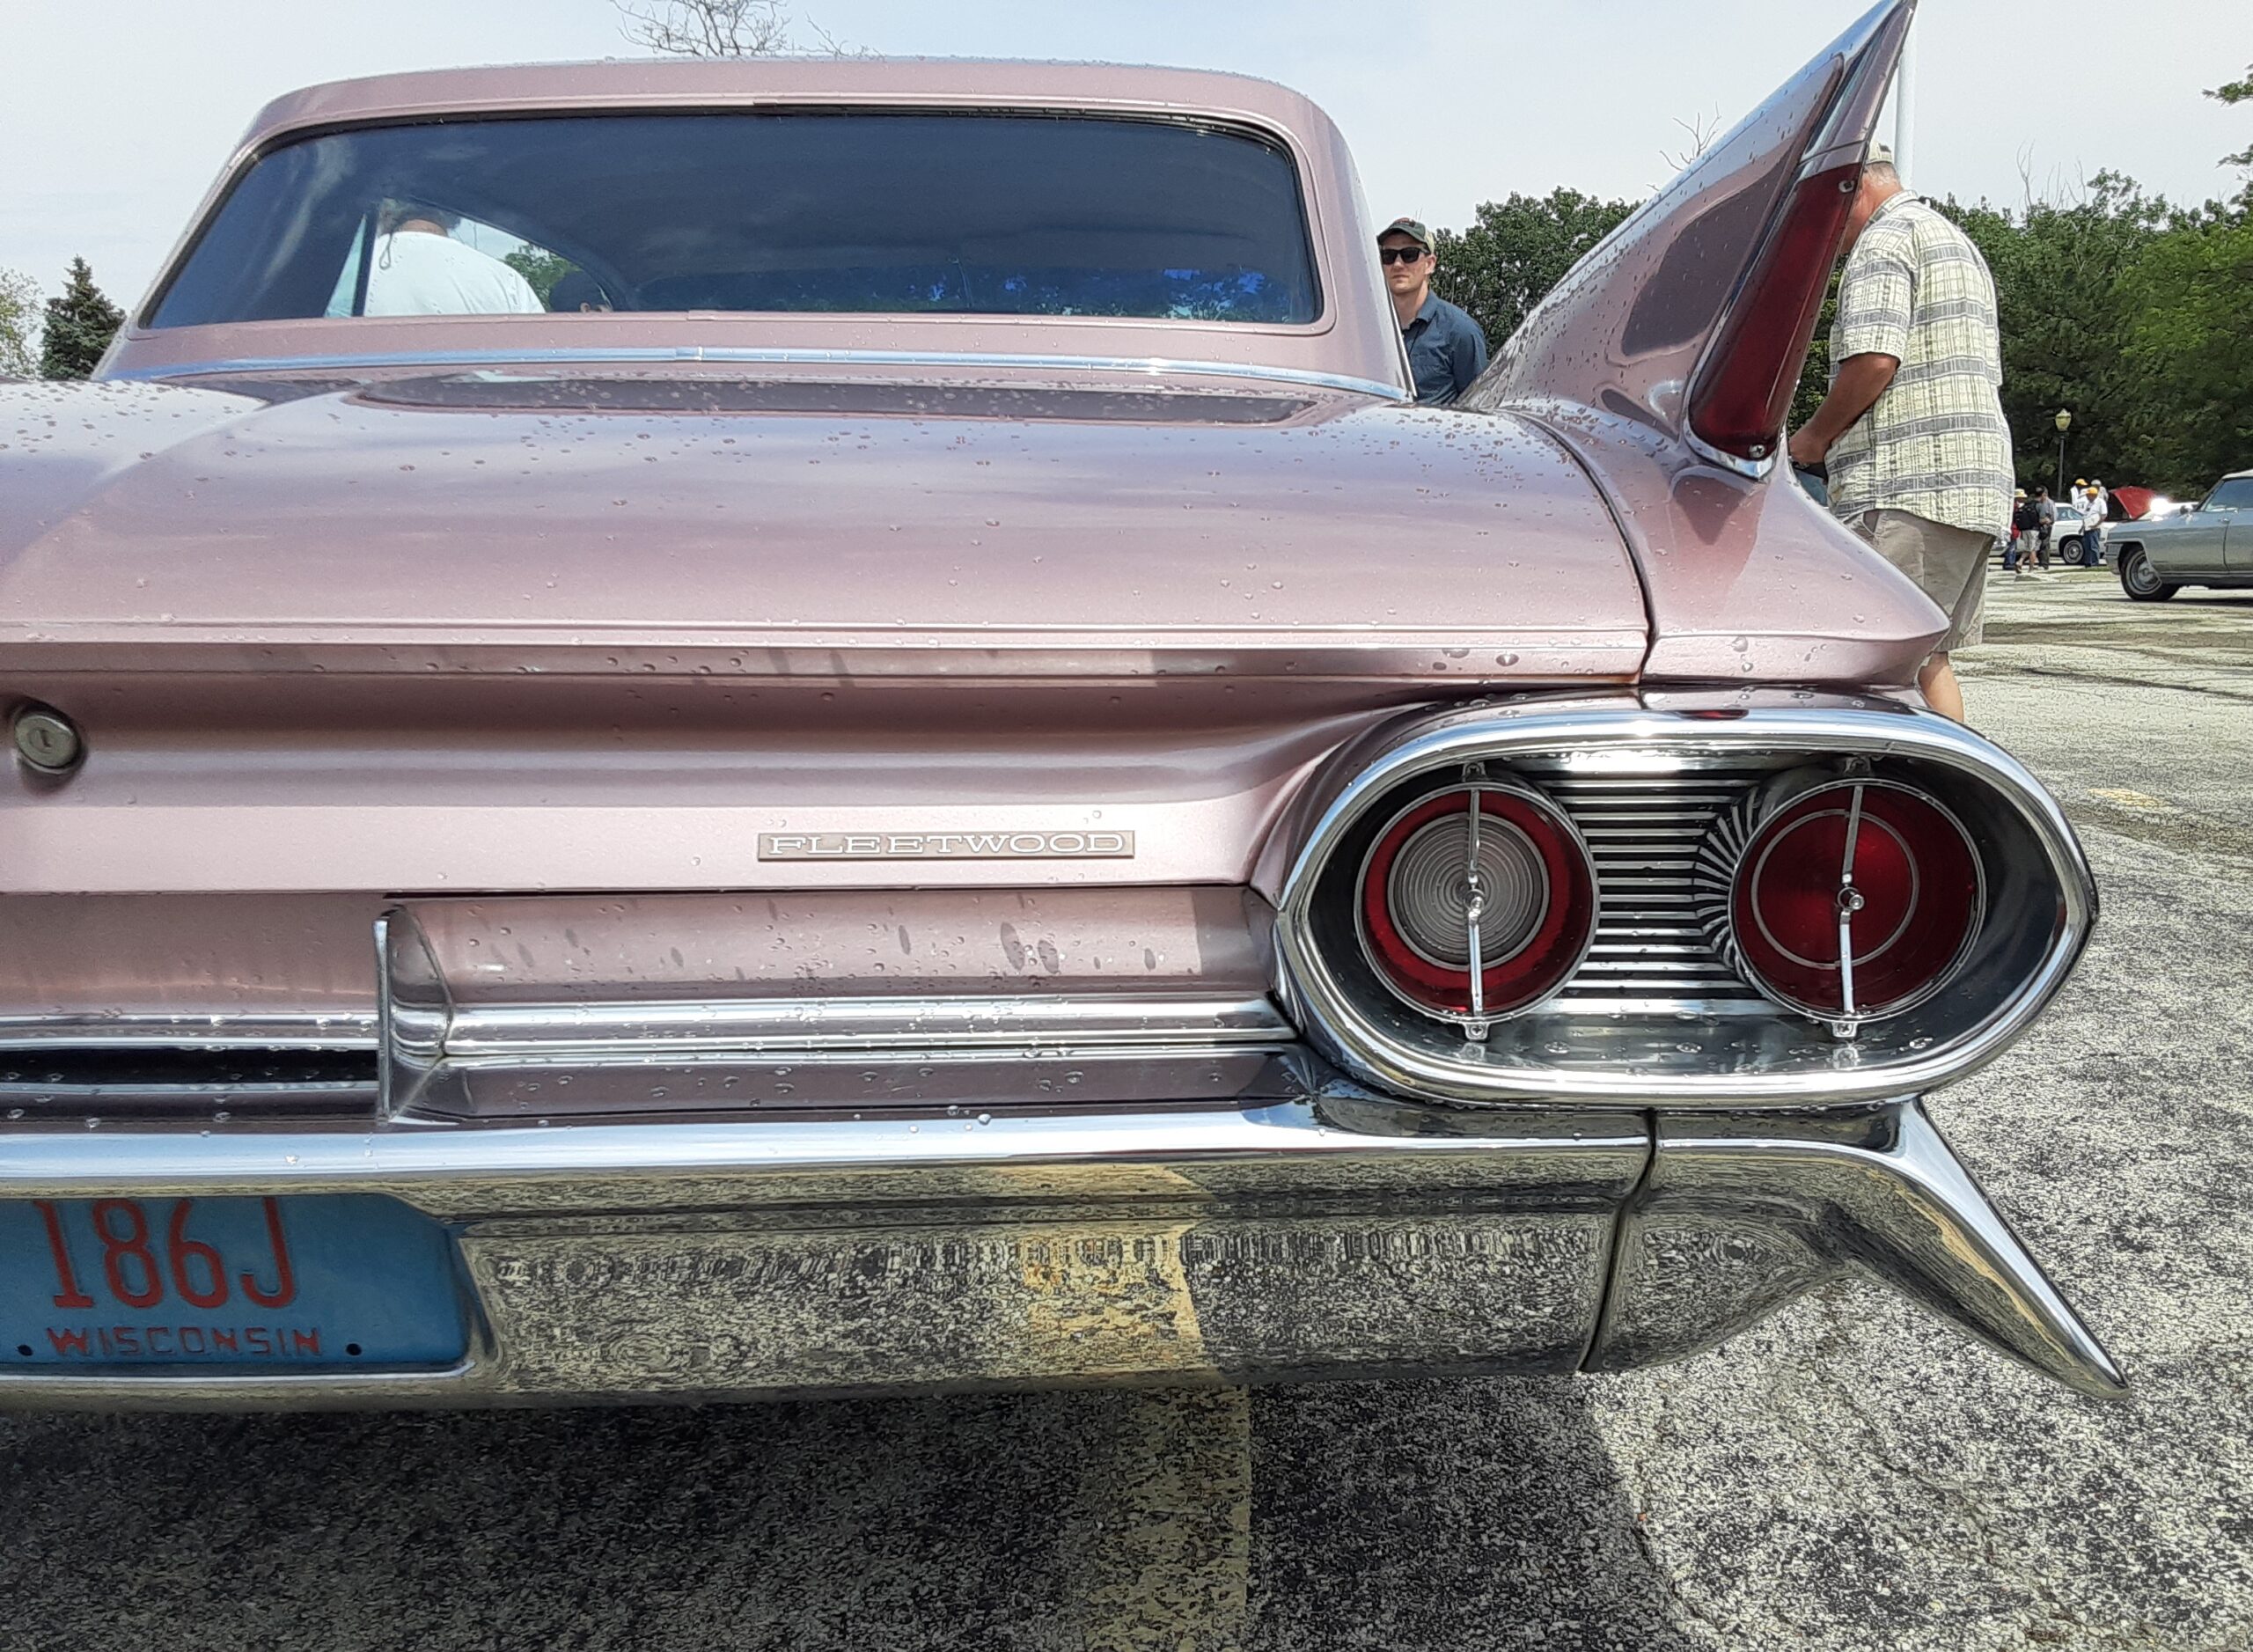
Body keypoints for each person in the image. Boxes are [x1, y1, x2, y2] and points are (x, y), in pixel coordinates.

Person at [1787, 143, 2012, 725]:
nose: (1826, 235)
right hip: (1968, 484)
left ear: (1854, 189)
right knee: (1923, 656)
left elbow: (1874, 361)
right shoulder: (1950, 238)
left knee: (1874, 659)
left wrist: (1813, 438)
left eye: (1825, 214)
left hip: (1904, 484)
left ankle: (1900, 798)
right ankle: (1955, 796)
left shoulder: (1883, 242)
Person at [340, 202, 545, 317]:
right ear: (453, 218)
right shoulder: (505, 279)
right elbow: (539, 358)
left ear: (384, 213)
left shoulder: (348, 270)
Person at [1377, 218, 1487, 405]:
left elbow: (1480, 408)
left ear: (1430, 264)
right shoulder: (1367, 329)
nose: (1397, 264)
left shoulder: (1461, 331)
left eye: (1409, 255)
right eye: (1388, 256)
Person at [2010, 489, 2042, 576]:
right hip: (2033, 529)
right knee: (2032, 549)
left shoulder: (2018, 507)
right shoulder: (2032, 505)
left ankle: (2026, 565)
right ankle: (2024, 564)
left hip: (2023, 529)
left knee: (2029, 547)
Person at [2084, 478, 2110, 566]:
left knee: (2093, 546)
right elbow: (2086, 515)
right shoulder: (2089, 503)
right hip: (2087, 528)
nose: (2086, 496)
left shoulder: (2100, 501)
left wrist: (2096, 525)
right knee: (2087, 546)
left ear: (2092, 495)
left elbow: (2104, 515)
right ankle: (2088, 563)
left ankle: (2095, 563)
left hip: (2094, 528)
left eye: (2088, 495)